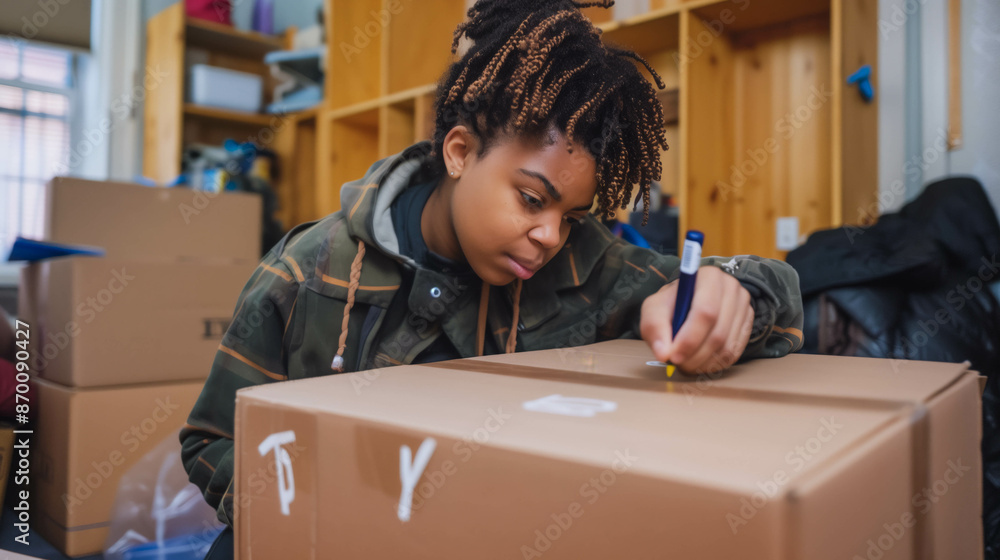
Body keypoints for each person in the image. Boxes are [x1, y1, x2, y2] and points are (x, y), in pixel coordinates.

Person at [182, 1, 803, 557]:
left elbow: (763, 292)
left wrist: (734, 293)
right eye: (533, 199)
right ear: (459, 152)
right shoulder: (305, 272)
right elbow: (212, 441)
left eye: (572, 215)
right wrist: (327, 517)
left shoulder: (584, 266)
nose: (551, 236)